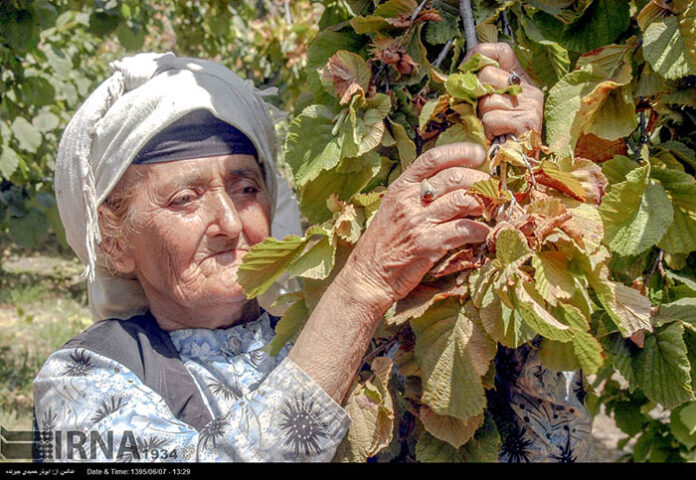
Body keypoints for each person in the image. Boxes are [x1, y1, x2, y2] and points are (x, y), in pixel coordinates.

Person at [32, 43, 590, 462]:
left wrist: (522, 186)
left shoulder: (368, 346)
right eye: (185, 198)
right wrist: (363, 284)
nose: (229, 222)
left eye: (246, 187)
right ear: (115, 243)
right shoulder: (84, 379)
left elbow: (545, 445)